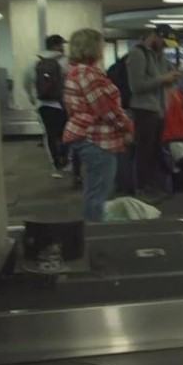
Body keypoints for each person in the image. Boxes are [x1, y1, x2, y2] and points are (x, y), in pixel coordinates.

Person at [61, 29, 134, 223]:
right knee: (99, 193)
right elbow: (105, 108)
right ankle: (96, 233)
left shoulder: (77, 71)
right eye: (101, 44)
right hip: (97, 138)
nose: (103, 48)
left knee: (94, 189)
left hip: (88, 137)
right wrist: (126, 126)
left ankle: (93, 229)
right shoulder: (87, 74)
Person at [127, 24, 182, 201]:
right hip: (144, 109)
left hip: (159, 109)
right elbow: (137, 85)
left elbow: (166, 76)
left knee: (155, 150)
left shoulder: (160, 56)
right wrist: (163, 79)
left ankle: (152, 185)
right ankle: (141, 189)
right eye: (164, 42)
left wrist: (172, 78)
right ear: (155, 36)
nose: (165, 46)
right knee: (144, 151)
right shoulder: (138, 54)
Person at [25, 34, 71, 178]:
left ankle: (55, 166)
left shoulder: (34, 63)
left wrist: (33, 99)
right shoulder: (65, 62)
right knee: (67, 133)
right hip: (63, 103)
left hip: (43, 104)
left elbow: (27, 82)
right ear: (58, 46)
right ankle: (67, 161)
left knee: (50, 135)